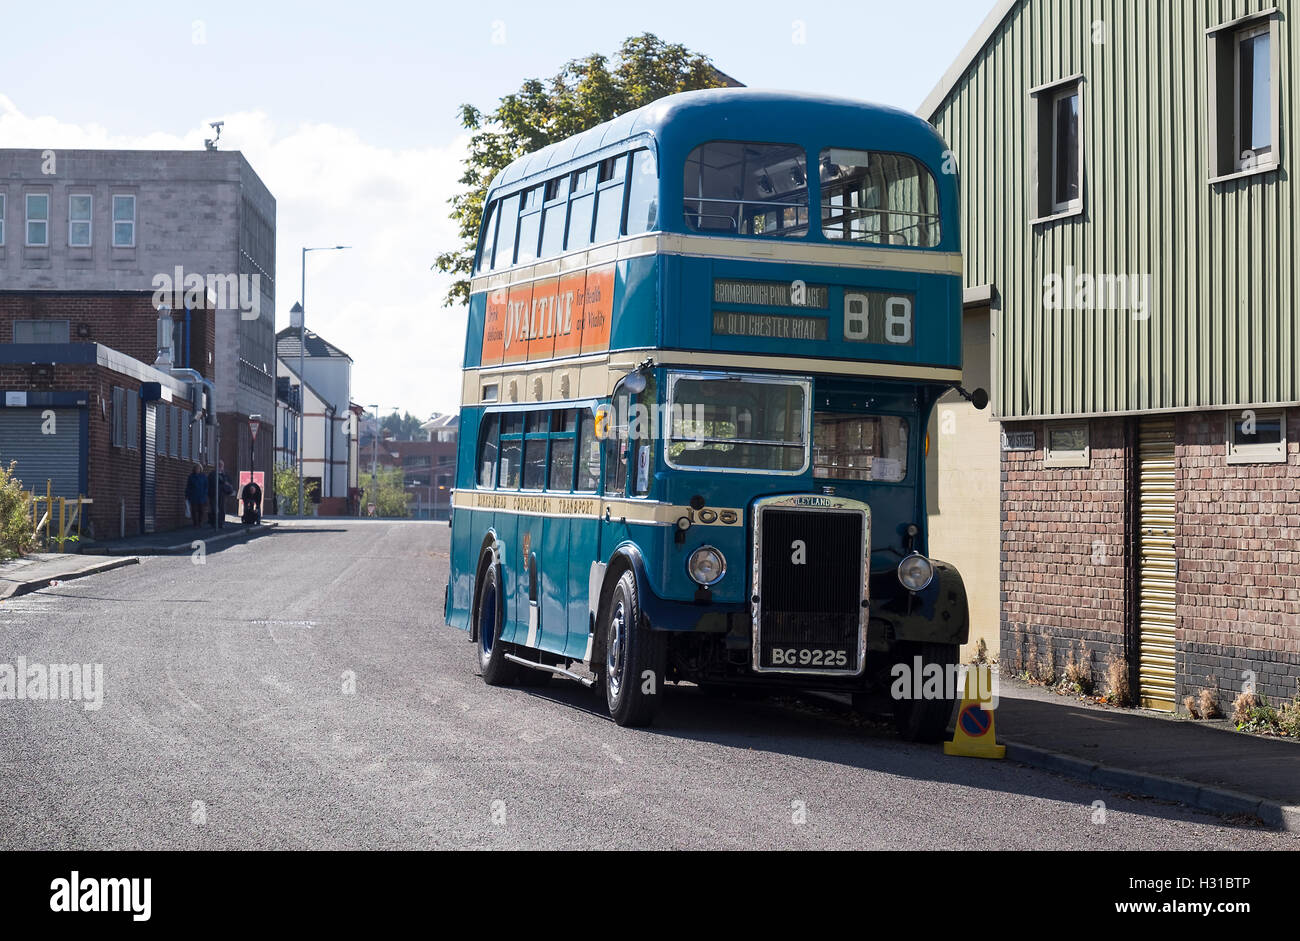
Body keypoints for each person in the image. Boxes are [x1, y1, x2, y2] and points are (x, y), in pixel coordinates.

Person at [208, 460, 236, 529]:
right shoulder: (212, 474)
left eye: (221, 465)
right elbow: (209, 484)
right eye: (219, 465)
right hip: (214, 494)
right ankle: (214, 523)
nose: (220, 467)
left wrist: (227, 486)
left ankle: (221, 523)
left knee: (222, 509)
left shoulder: (225, 475)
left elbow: (230, 483)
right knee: (214, 509)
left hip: (222, 494)